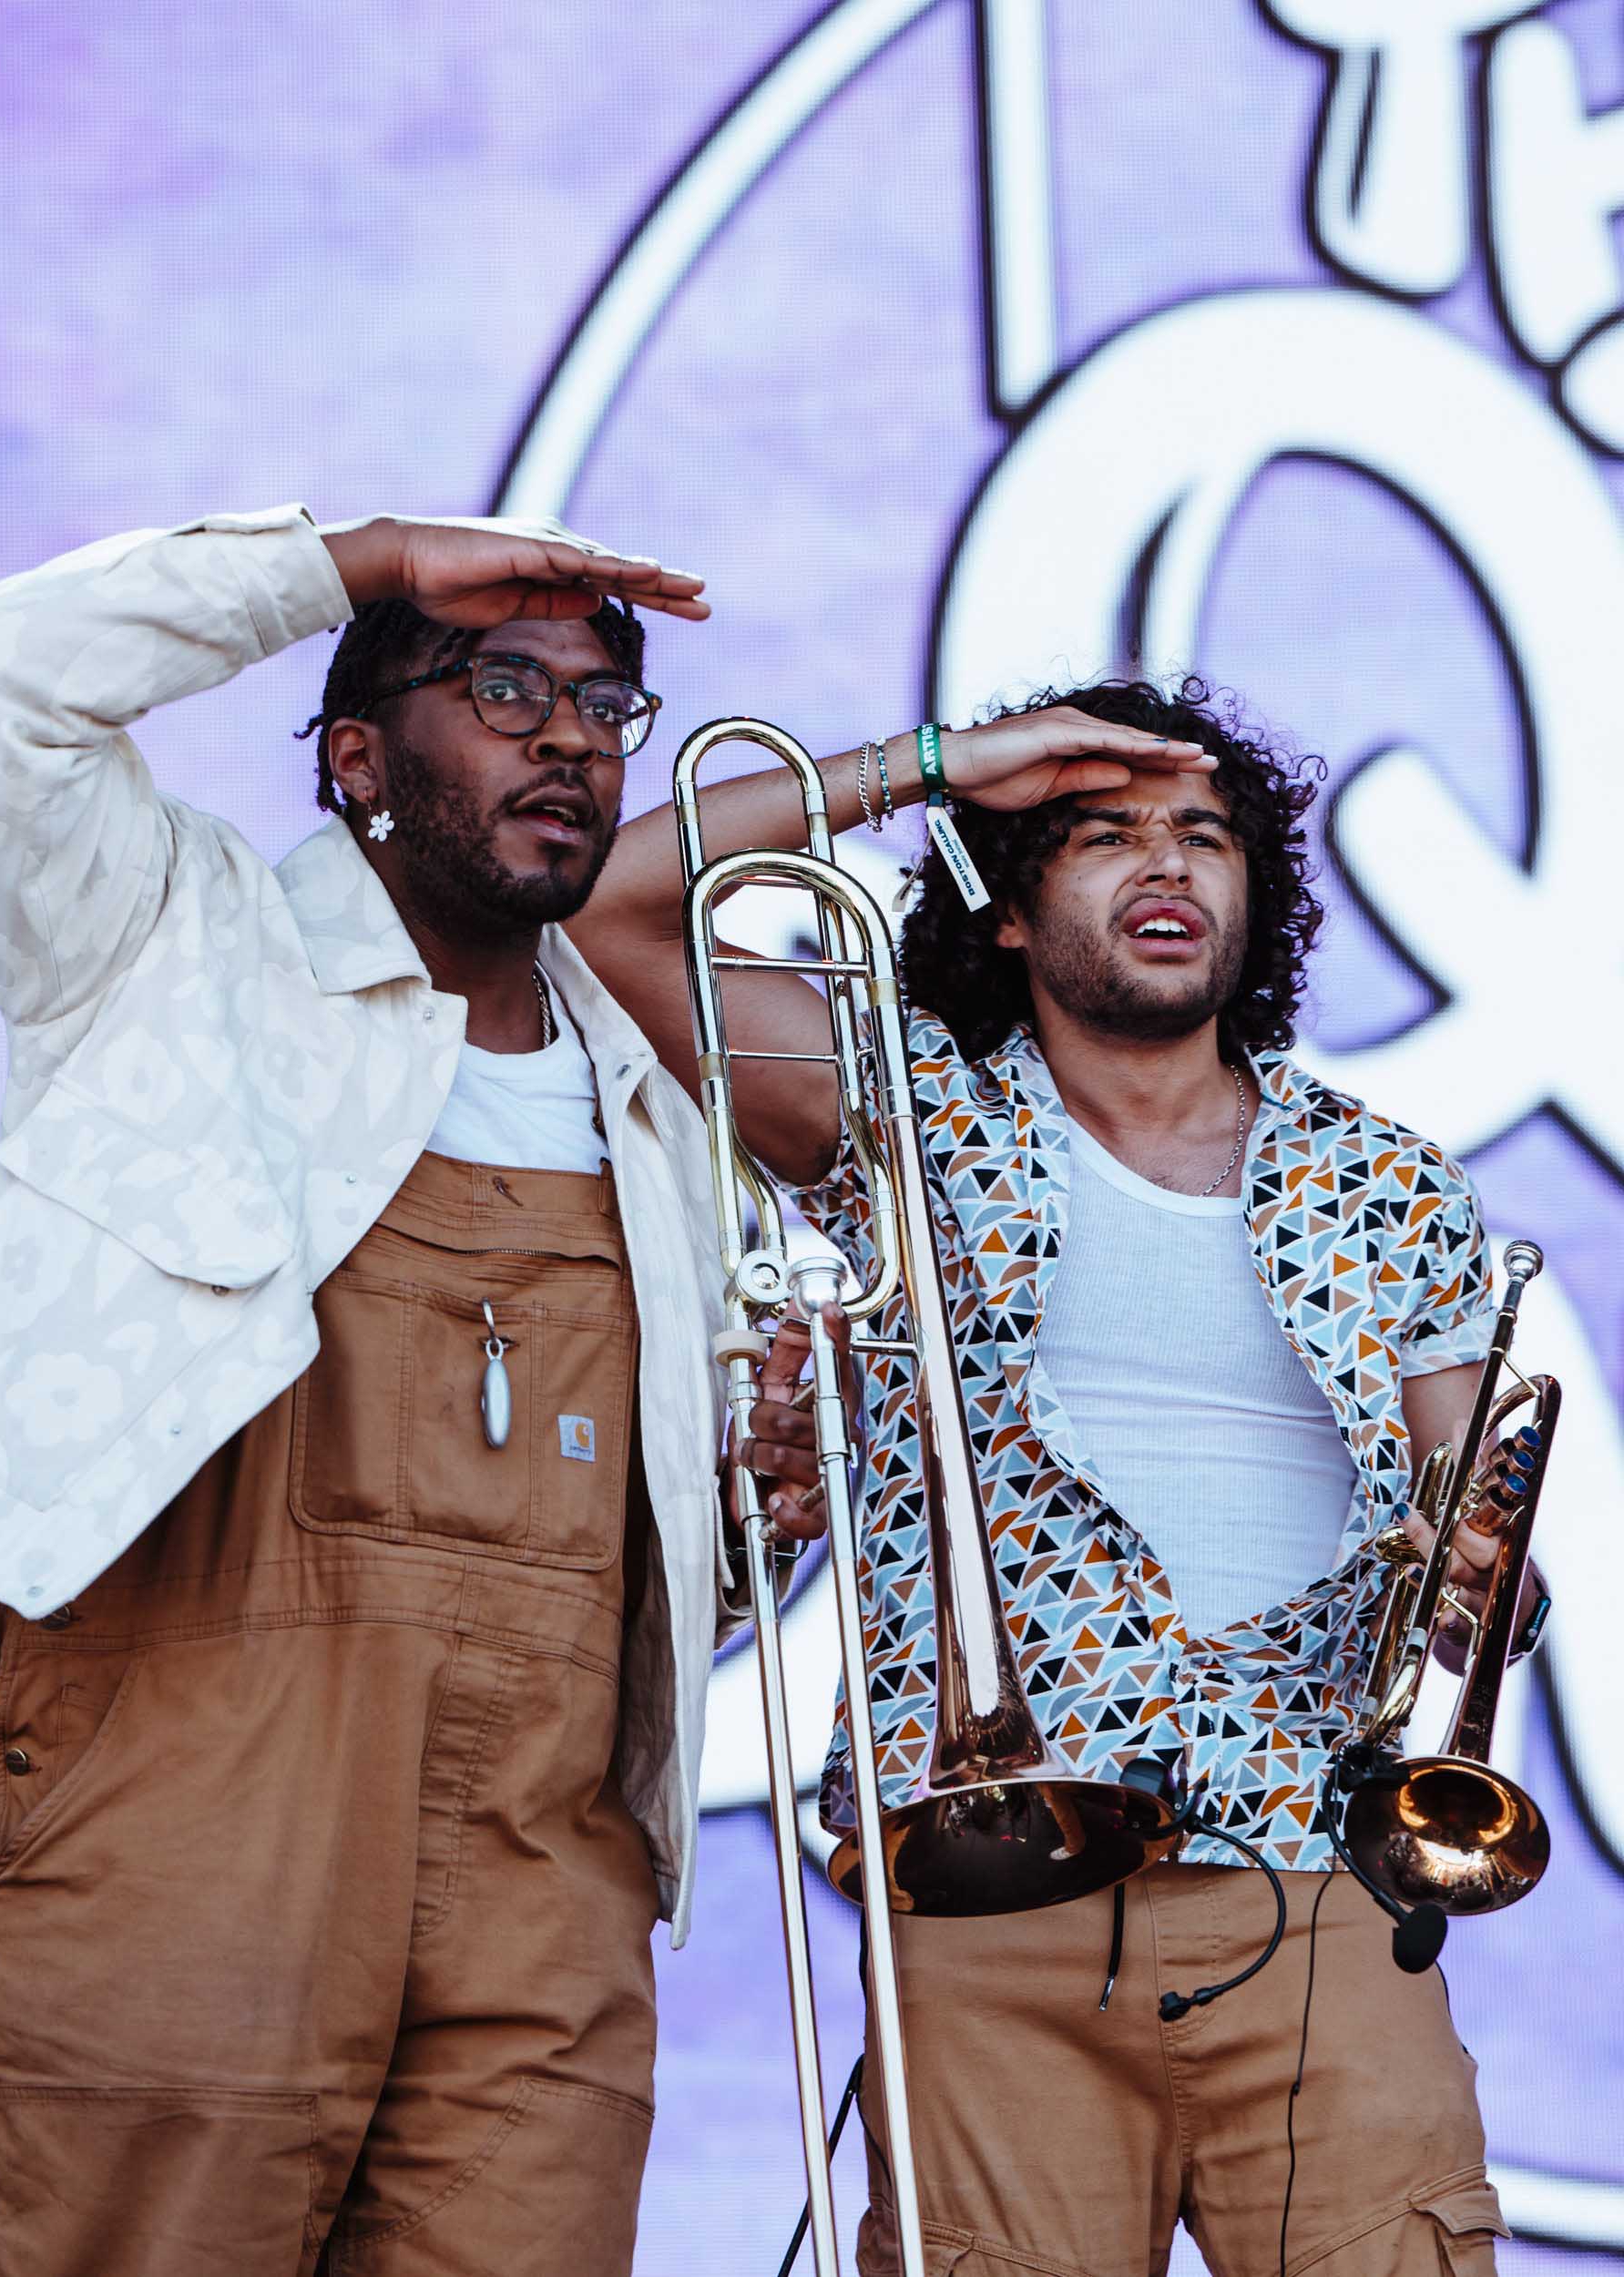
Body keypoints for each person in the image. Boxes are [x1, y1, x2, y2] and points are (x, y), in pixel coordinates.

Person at [0, 504, 746, 2277]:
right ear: (353, 757)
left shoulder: (656, 1105)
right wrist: (365, 560)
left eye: (608, 704)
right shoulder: (166, 942)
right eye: (501, 681)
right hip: (185, 1827)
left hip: (544, 1895)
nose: (568, 734)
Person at [570, 678, 1548, 2277]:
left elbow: (1469, 1531)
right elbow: (617, 907)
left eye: (1204, 837)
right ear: (1012, 912)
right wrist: (942, 767)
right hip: (988, 1896)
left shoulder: (1387, 1179)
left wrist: (1484, 1582)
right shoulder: (907, 1121)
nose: (1166, 866)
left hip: (1316, 1891)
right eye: (1101, 837)